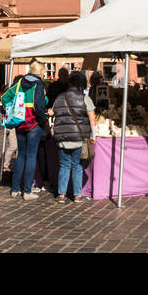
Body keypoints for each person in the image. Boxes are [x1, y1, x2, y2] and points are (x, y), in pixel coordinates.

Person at [48, 70, 96, 202]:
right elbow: (92, 120)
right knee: (77, 165)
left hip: (62, 138)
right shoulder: (85, 98)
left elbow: (53, 113)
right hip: (79, 139)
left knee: (64, 165)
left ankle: (61, 195)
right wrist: (94, 136)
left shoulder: (59, 98)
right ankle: (77, 195)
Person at [7, 63, 49, 199]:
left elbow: (5, 97)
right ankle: (27, 191)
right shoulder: (39, 84)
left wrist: (10, 111)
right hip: (33, 124)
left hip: (20, 123)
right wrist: (44, 121)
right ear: (39, 72)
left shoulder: (20, 82)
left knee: (21, 156)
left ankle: (14, 189)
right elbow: (39, 105)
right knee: (31, 157)